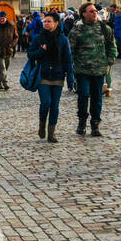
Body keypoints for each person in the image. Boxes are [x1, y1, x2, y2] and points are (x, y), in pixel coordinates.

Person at [69, 1, 117, 136]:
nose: (95, 13)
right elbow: (70, 50)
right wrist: (70, 66)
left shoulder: (104, 28)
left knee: (97, 98)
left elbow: (112, 45)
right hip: (82, 70)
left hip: (99, 70)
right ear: (83, 14)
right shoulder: (77, 30)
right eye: (91, 11)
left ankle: (95, 124)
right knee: (83, 95)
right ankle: (82, 122)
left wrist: (110, 60)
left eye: (95, 11)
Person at [27, 11, 75, 143]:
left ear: (56, 23)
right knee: (45, 103)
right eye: (45, 21)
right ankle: (42, 124)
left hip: (58, 75)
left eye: (49, 21)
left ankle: (51, 132)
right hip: (43, 75)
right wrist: (41, 51)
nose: (46, 23)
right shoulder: (38, 38)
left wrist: (70, 78)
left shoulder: (63, 39)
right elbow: (30, 54)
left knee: (55, 105)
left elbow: (68, 60)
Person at [0, 10, 19, 90]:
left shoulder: (11, 26)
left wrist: (12, 44)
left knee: (5, 68)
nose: (2, 20)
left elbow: (16, 37)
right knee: (2, 68)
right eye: (0, 18)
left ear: (6, 18)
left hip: (8, 50)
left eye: (3, 18)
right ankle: (5, 83)